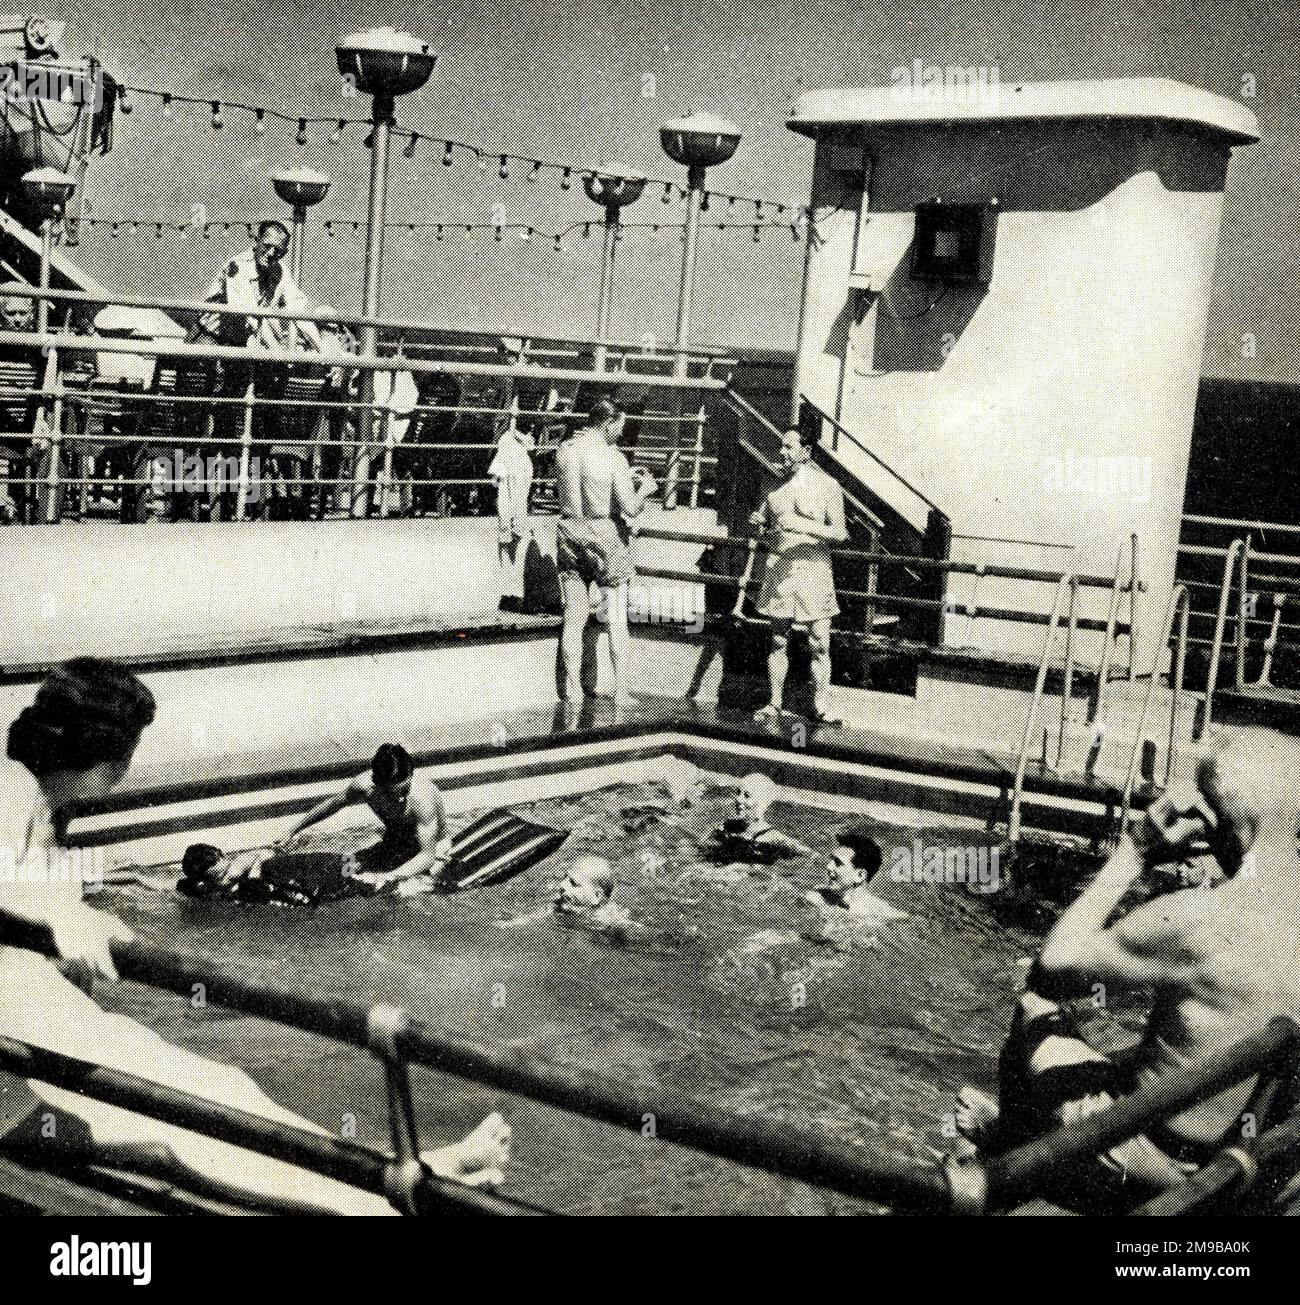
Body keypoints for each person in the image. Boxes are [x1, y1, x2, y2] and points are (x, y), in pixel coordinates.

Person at [0, 659, 508, 1209]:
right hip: (17, 1076)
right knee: (178, 1137)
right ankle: (381, 1202)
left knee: (225, 1087)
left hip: (44, 1025)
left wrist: (63, 921)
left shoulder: (43, 802)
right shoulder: (11, 788)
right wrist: (61, 918)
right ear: (108, 753)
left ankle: (406, 1172)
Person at [956, 731, 1300, 1211]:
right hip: (1245, 1158)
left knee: (1033, 1008)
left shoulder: (1202, 919)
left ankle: (1012, 1154)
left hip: (1161, 1164)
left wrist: (1134, 853)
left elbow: (1054, 966)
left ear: (1212, 819)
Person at [197, 221, 323, 513]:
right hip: (213, 345)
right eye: (266, 246)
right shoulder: (237, 267)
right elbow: (250, 319)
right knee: (213, 423)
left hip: (245, 350)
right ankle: (201, 497)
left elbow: (297, 308)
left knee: (257, 416)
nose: (271, 254)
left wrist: (318, 348)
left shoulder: (279, 272)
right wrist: (278, 351)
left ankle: (241, 497)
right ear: (255, 242)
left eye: (279, 251)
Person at [554, 399, 657, 704]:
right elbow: (630, 508)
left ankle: (572, 691)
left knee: (573, 617)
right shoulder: (613, 458)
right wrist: (645, 488)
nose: (620, 436)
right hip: (603, 535)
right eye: (619, 429)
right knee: (616, 618)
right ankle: (622, 692)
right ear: (609, 423)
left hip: (569, 529)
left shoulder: (566, 450)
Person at [750, 426, 847, 725]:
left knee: (819, 642)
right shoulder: (773, 490)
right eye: (782, 446)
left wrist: (801, 525)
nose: (782, 452)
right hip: (780, 571)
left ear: (806, 452)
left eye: (789, 447)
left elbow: (840, 533)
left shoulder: (828, 486)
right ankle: (774, 702)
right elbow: (768, 538)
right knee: (779, 641)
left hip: (814, 571)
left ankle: (821, 706)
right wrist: (760, 529)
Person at [277, 743, 452, 891]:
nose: (401, 798)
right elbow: (332, 805)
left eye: (405, 790)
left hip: (434, 851)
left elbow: (427, 856)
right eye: (392, 793)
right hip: (393, 845)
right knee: (344, 869)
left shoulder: (422, 799)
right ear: (377, 784)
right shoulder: (365, 786)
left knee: (401, 890)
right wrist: (292, 830)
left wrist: (388, 877)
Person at [706, 773, 812, 863]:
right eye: (738, 792)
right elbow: (703, 846)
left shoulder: (771, 838)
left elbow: (810, 855)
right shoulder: (727, 826)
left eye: (747, 796)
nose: (739, 799)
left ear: (762, 804)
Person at [489, 416, 536, 614]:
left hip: (506, 504)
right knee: (519, 544)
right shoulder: (523, 456)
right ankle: (515, 592)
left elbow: (494, 481)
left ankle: (508, 591)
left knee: (506, 545)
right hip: (518, 504)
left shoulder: (506, 446)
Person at [807, 829, 909, 919]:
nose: (828, 866)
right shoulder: (820, 895)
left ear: (859, 875)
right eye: (831, 860)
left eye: (838, 863)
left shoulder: (869, 914)